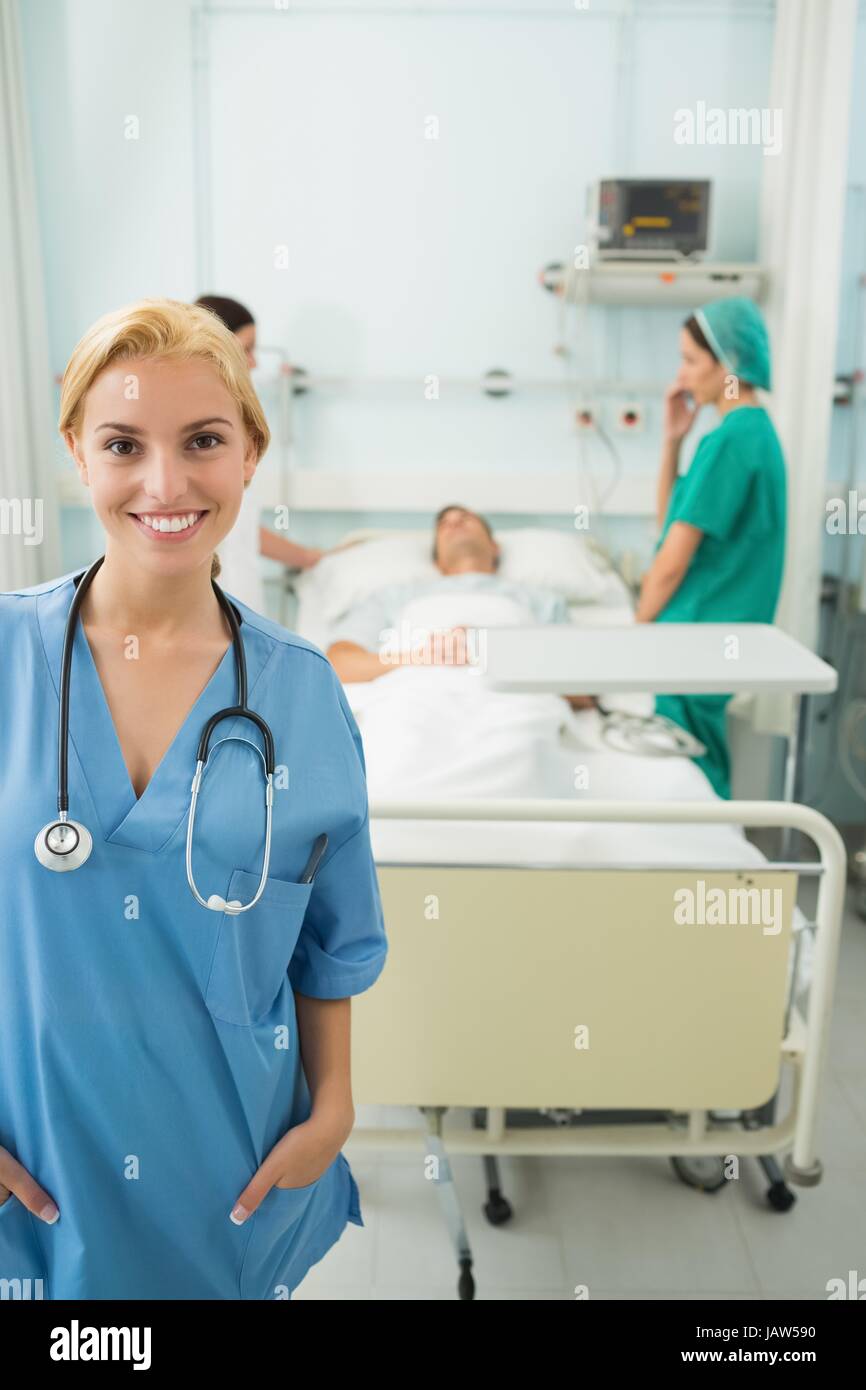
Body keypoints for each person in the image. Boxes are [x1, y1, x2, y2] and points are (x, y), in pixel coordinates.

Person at [0, 298, 387, 1300]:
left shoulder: (298, 691)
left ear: (250, 451)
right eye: (123, 443)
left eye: (203, 441)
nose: (164, 484)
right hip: (28, 1167)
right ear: (77, 449)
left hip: (228, 1166)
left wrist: (333, 1110)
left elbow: (332, 941)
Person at [635, 296, 787, 798]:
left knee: (688, 780)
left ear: (730, 366)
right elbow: (669, 533)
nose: (680, 375)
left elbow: (668, 567)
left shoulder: (728, 442)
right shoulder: (753, 433)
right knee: (697, 771)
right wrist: (672, 441)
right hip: (714, 642)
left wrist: (630, 636)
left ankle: (707, 872)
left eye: (690, 360)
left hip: (694, 642)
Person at [326, 504, 596, 708]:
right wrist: (422, 657)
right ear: (436, 561)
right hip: (414, 701)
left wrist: (499, 655)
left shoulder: (541, 600)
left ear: (494, 546)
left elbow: (581, 690)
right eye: (445, 524)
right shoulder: (393, 596)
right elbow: (339, 666)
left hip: (513, 707)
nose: (454, 524)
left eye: (465, 519)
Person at [194, 294, 323, 611]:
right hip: (211, 599)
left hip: (237, 599)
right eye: (247, 349)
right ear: (218, 345)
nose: (253, 362)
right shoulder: (202, 427)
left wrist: (308, 558)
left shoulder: (229, 411)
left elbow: (241, 526)